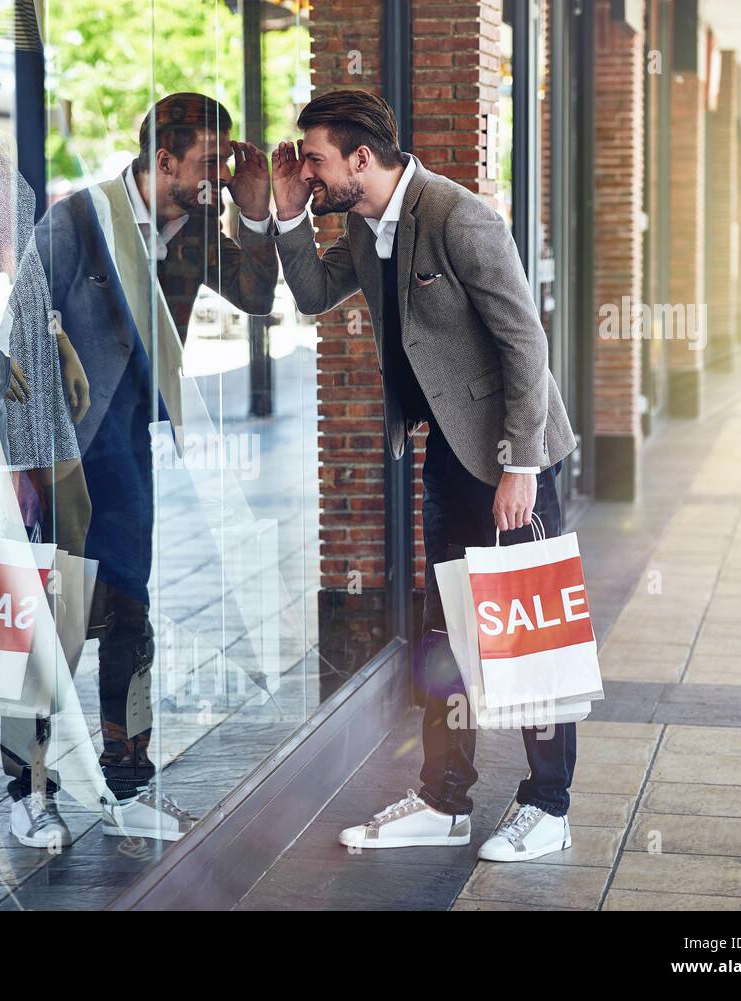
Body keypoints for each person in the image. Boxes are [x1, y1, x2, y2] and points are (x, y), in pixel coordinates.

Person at [267, 89, 580, 862]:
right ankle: (444, 800)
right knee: (447, 637)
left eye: (315, 161)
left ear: (360, 160)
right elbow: (310, 293)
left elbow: (525, 345)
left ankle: (549, 803)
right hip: (446, 455)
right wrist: (283, 213)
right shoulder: (364, 224)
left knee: (528, 629)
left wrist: (521, 466)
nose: (308, 173)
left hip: (513, 457)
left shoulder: (457, 216)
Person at [3, 92, 279, 848]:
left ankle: (129, 781)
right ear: (164, 161)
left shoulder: (197, 230)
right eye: (210, 162)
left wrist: (253, 212)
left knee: (129, 617)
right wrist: (22, 464)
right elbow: (16, 339)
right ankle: (27, 791)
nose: (219, 173)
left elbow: (257, 295)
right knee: (51, 628)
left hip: (128, 451)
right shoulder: (78, 221)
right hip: (63, 454)